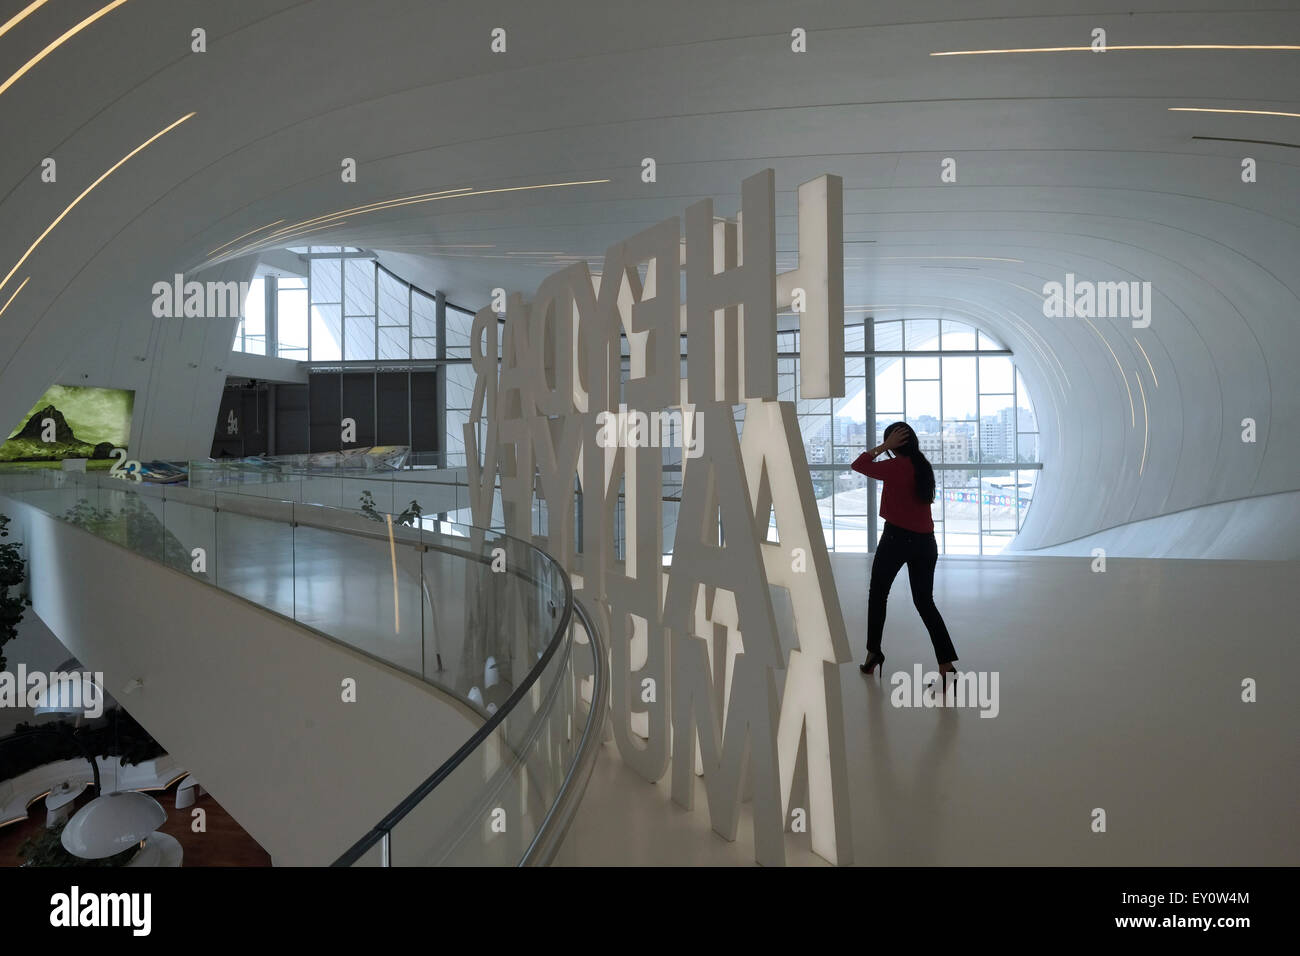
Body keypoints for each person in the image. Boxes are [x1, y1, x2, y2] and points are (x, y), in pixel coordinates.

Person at [850, 422, 958, 681]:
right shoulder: (922, 465)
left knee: (878, 596)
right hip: (926, 542)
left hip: (896, 538)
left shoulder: (896, 466)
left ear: (895, 443)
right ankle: (946, 664)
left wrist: (883, 447)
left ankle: (873, 654)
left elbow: (859, 465)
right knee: (925, 602)